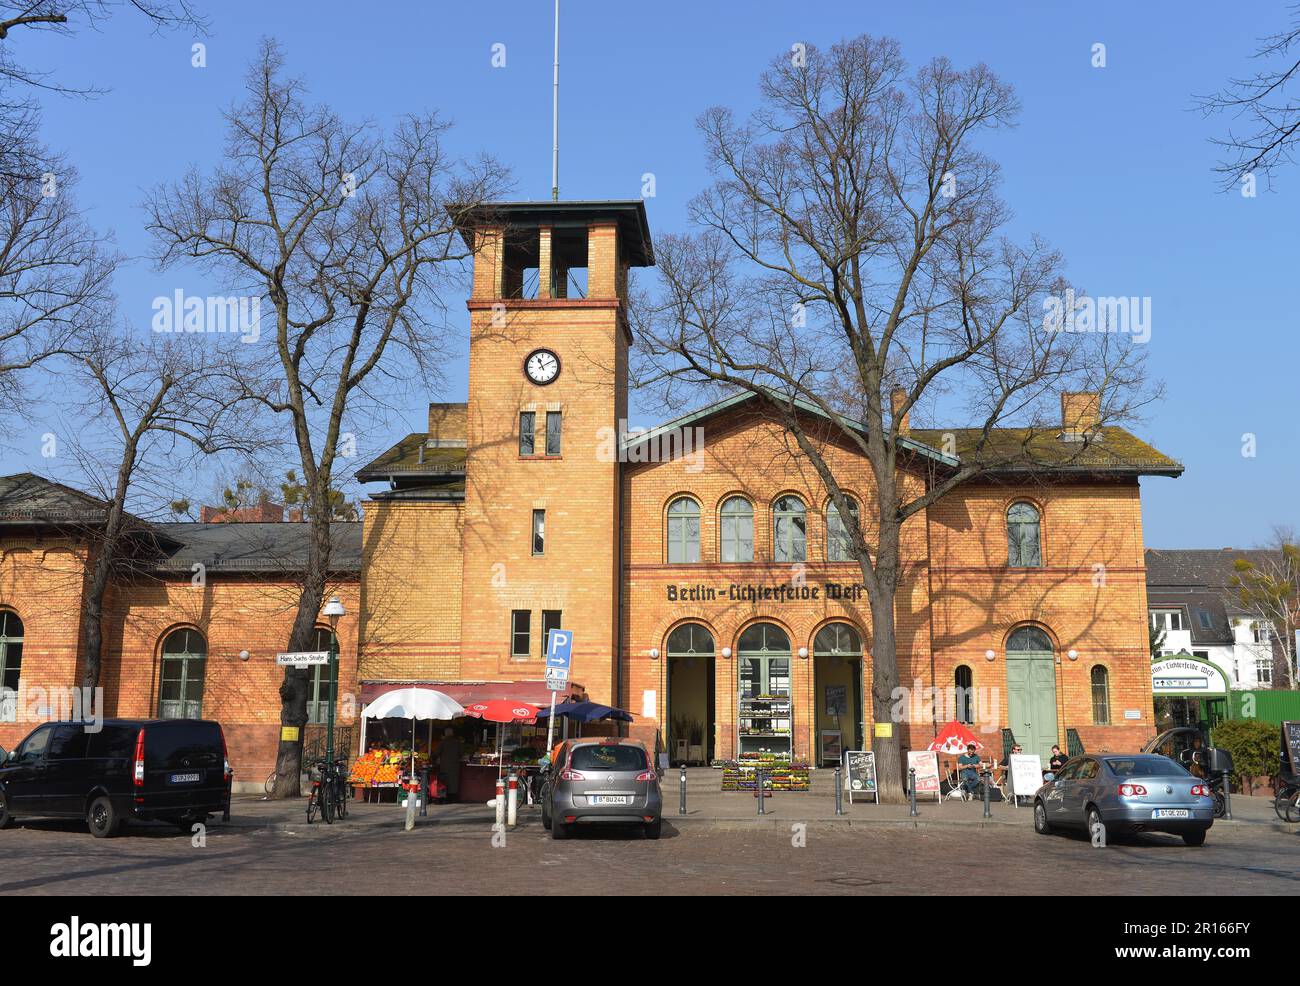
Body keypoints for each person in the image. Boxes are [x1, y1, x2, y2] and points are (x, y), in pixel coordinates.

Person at [436, 726, 461, 803]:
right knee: (454, 781)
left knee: (445, 781)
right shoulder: (457, 742)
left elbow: (437, 753)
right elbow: (461, 753)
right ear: (452, 733)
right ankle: (454, 798)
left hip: (445, 765)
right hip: (455, 765)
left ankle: (445, 797)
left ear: (445, 734)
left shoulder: (443, 742)